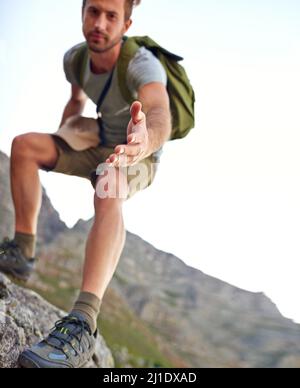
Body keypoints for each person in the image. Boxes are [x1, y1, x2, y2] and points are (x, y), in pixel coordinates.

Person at [0, 0, 171, 368]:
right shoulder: (75, 60)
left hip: (136, 151)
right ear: (82, 13)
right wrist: (62, 138)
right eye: (93, 11)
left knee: (108, 184)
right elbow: (76, 101)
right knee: (25, 147)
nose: (100, 23)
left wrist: (146, 138)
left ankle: (82, 323)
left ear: (126, 24)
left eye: (111, 16)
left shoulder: (142, 63)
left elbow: (159, 113)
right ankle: (22, 252)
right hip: (96, 142)